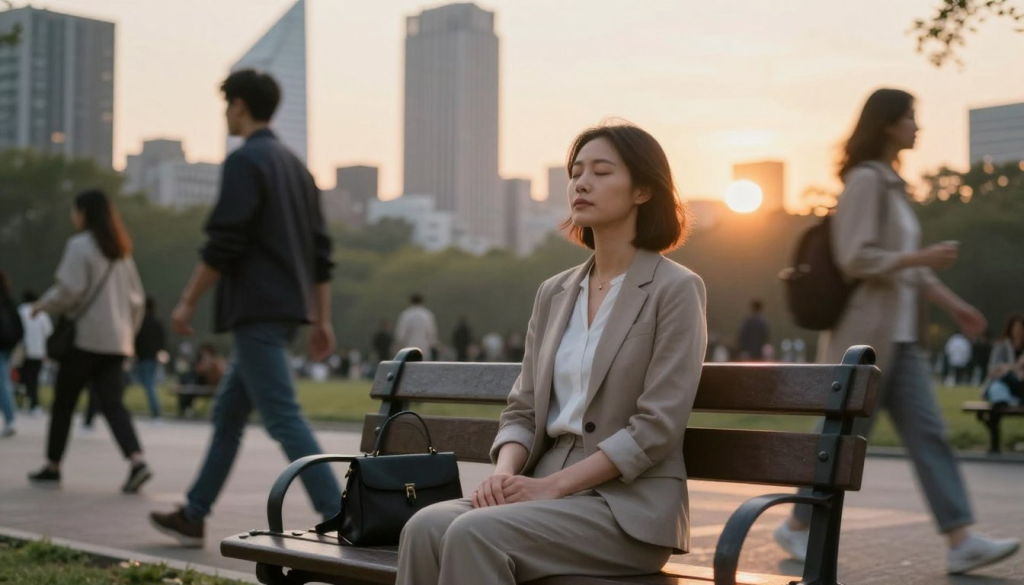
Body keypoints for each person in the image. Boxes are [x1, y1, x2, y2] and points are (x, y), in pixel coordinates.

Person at [396, 123, 706, 584]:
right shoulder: (555, 292)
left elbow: (656, 427)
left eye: (601, 172)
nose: (581, 183)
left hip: (626, 509)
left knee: (474, 534)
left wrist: (551, 487)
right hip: (540, 486)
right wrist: (504, 475)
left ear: (643, 190)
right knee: (424, 527)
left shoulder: (675, 288)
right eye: (576, 172)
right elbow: (522, 409)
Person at [772, 88, 1019, 575]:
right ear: (887, 124)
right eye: (910, 118)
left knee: (928, 436)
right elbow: (856, 258)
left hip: (902, 342)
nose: (917, 127)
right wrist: (919, 256)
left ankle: (960, 540)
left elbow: (910, 271)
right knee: (839, 441)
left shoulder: (892, 184)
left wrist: (956, 307)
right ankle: (797, 524)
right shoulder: (866, 181)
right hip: (866, 343)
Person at [149, 69, 341, 547]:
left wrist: (187, 302)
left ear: (239, 106)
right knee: (228, 415)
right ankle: (194, 513)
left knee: (283, 417)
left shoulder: (245, 161)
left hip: (257, 309)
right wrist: (321, 319)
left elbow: (224, 243)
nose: (226, 115)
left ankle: (341, 512)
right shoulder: (298, 168)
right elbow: (321, 255)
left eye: (227, 106)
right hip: (288, 309)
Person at [27, 189, 151, 492]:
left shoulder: (80, 246)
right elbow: (137, 301)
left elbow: (70, 290)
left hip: (84, 340)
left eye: (75, 210)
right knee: (113, 404)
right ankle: (137, 461)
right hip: (116, 343)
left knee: (64, 403)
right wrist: (128, 336)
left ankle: (53, 466)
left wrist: (43, 305)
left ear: (84, 213)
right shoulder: (121, 252)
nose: (73, 216)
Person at [17, 290, 52, 416]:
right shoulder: (42, 314)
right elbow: (48, 332)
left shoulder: (21, 311)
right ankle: (33, 403)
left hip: (24, 351)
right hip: (39, 351)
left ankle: (28, 401)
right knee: (34, 378)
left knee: (25, 378)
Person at [134, 296, 166, 420]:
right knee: (149, 382)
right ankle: (155, 410)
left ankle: (156, 411)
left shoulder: (142, 321)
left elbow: (137, 338)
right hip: (153, 356)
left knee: (148, 383)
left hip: (143, 356)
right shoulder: (157, 322)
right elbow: (162, 339)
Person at [982, 314, 1024, 406]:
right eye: (1016, 329)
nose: (1019, 332)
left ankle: (1014, 401)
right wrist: (1011, 367)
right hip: (1002, 382)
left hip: (1020, 387)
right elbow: (992, 369)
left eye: (1021, 329)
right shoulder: (1001, 346)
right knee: (997, 388)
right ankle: (1007, 401)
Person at [0, 271, 23, 437]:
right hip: (7, 345)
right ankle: (10, 419)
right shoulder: (9, 300)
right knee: (4, 381)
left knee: (2, 382)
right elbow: (19, 326)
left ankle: (10, 419)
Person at [394, 294, 438, 361]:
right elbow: (431, 333)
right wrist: (433, 344)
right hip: (424, 347)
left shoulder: (406, 314)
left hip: (408, 347)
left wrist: (400, 343)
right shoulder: (427, 315)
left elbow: (401, 333)